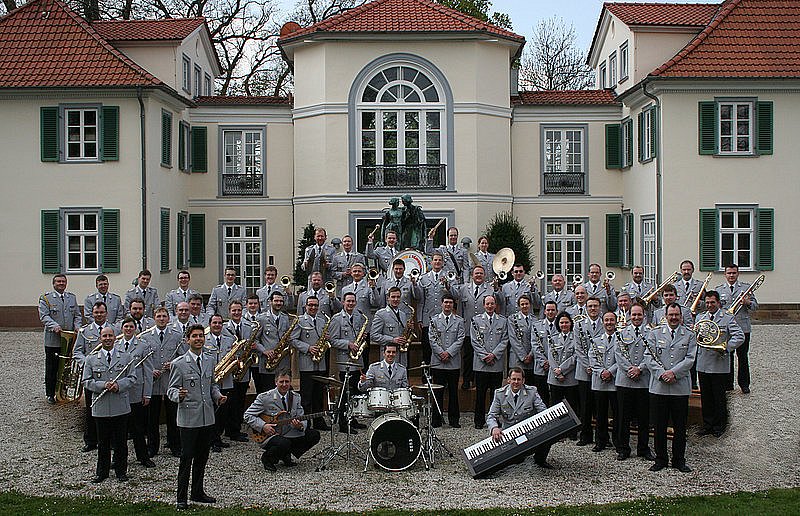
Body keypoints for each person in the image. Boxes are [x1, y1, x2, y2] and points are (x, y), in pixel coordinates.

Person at [168, 324, 227, 509]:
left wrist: (218, 397)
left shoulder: (209, 360)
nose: (198, 339)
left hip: (207, 417)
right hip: (188, 418)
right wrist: (179, 395)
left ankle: (197, 492)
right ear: (188, 340)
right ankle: (181, 498)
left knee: (202, 457)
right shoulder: (179, 363)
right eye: (195, 336)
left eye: (201, 336)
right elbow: (170, 389)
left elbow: (212, 385)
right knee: (187, 458)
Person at [645, 303, 696, 473]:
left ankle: (679, 460)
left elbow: (690, 359)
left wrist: (673, 373)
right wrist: (662, 374)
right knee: (659, 426)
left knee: (680, 427)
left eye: (676, 315)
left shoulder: (689, 335)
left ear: (681, 316)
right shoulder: (655, 333)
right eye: (671, 315)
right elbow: (649, 357)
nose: (674, 318)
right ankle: (661, 459)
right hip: (659, 387)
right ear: (665, 316)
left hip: (679, 387)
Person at [83, 326, 136, 483]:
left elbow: (132, 378)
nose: (107, 338)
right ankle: (102, 472)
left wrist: (119, 385)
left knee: (121, 442)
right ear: (100, 338)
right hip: (101, 407)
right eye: (104, 336)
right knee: (103, 443)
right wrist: (103, 385)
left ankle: (121, 471)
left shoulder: (126, 357)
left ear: (115, 338)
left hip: (120, 406)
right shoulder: (91, 359)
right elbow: (86, 381)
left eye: (110, 336)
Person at [244, 369, 321, 472]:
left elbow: (301, 416)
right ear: (276, 382)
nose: (284, 384)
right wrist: (263, 426)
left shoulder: (296, 397)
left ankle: (285, 453)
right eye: (281, 382)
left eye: (287, 382)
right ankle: (268, 458)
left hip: (290, 432)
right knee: (283, 443)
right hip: (271, 434)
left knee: (314, 435)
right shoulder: (265, 398)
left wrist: (300, 426)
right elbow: (248, 415)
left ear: (290, 382)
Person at [695, 291, 744, 437]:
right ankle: (707, 424)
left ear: (718, 303)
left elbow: (740, 336)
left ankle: (720, 425)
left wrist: (726, 347)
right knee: (706, 396)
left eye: (712, 302)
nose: (709, 305)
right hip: (703, 362)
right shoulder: (700, 318)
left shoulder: (727, 318)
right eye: (707, 303)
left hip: (719, 362)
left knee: (719, 397)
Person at [487, 367, 552, 469]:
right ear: (508, 380)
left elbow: (543, 411)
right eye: (513, 379)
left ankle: (540, 460)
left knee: (548, 433)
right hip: (509, 432)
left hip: (529, 430)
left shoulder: (532, 391)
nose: (516, 382)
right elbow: (491, 416)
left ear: (523, 380)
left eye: (519, 379)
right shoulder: (499, 394)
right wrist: (494, 428)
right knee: (514, 461)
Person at [142, 307, 184, 457]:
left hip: (170, 381)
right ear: (154, 318)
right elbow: (143, 359)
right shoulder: (146, 336)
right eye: (159, 316)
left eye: (164, 316)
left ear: (168, 318)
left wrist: (173, 364)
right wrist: (151, 370)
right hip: (153, 382)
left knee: (173, 416)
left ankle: (175, 445)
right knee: (152, 418)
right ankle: (152, 447)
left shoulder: (176, 336)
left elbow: (183, 356)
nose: (161, 319)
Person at [615, 303, 654, 461]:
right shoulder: (622, 332)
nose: (636, 317)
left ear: (644, 316)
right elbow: (618, 354)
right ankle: (623, 448)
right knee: (623, 417)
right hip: (625, 380)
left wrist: (640, 369)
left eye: (639, 315)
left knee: (644, 418)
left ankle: (643, 448)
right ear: (629, 316)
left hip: (643, 380)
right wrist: (630, 370)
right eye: (634, 315)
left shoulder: (651, 333)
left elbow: (651, 353)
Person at [115, 317, 155, 468]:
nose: (128, 329)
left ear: (135, 329)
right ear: (122, 328)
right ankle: (119, 459)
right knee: (120, 430)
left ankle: (142, 457)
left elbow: (148, 371)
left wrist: (147, 393)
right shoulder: (116, 345)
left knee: (138, 428)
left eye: (131, 327)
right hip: (119, 392)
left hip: (136, 392)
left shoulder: (143, 346)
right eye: (126, 326)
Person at [329, 292, 370, 433]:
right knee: (345, 394)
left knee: (354, 393)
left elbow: (359, 335)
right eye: (348, 301)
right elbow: (332, 340)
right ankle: (342, 423)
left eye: (353, 301)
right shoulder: (336, 319)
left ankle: (352, 419)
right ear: (343, 302)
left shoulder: (358, 317)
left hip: (357, 360)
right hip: (345, 361)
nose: (351, 303)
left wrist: (362, 337)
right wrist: (348, 344)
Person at [450, 264, 495, 389]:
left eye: (481, 273)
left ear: (484, 275)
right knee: (467, 355)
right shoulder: (464, 288)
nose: (479, 275)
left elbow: (497, 302)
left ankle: (477, 380)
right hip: (467, 327)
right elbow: (454, 294)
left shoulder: (490, 289)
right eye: (476, 273)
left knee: (481, 354)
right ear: (472, 275)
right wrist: (448, 284)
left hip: (484, 329)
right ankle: (466, 380)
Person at [39, 273, 82, 404]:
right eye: (58, 282)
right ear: (54, 284)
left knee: (66, 368)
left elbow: (77, 315)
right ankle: (50, 394)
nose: (61, 283)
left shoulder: (71, 298)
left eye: (63, 281)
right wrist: (54, 326)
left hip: (68, 340)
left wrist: (77, 327)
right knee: (52, 368)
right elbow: (44, 316)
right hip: (53, 340)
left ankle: (62, 392)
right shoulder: (46, 298)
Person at [73, 301, 111, 451]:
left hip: (110, 375)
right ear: (92, 314)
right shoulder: (84, 331)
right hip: (92, 377)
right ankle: (91, 440)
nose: (99, 315)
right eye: (96, 312)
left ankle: (110, 439)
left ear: (106, 313)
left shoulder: (113, 329)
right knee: (91, 408)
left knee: (111, 409)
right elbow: (77, 352)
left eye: (102, 312)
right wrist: (87, 364)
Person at [716, 264, 758, 393]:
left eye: (734, 273)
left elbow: (756, 306)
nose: (731, 275)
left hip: (743, 327)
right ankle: (728, 384)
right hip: (727, 329)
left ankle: (744, 384)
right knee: (727, 355)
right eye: (729, 273)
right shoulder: (719, 290)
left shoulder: (746, 288)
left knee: (743, 357)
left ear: (738, 274)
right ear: (725, 275)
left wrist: (748, 303)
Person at [291, 296, 331, 431]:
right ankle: (306, 423)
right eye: (310, 305)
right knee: (306, 396)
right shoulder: (300, 320)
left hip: (320, 363)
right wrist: (308, 348)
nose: (313, 308)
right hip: (307, 363)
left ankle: (319, 421)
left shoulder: (322, 321)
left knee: (319, 394)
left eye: (315, 305)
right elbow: (293, 340)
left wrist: (326, 339)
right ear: (305, 306)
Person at [471, 295, 508, 429]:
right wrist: (485, 356)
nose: (490, 306)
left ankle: (494, 420)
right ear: (484, 305)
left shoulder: (503, 321)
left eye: (492, 303)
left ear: (495, 305)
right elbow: (474, 341)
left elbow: (505, 340)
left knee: (496, 395)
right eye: (487, 304)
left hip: (496, 364)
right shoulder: (476, 320)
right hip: (481, 364)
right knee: (480, 394)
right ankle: (479, 421)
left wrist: (494, 355)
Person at [428, 294, 464, 428]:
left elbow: (460, 339)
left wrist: (448, 353)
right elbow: (431, 339)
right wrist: (441, 353)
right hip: (438, 362)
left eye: (450, 303)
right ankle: (436, 420)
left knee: (453, 393)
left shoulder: (459, 321)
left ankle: (454, 420)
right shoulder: (434, 320)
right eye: (446, 302)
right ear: (441, 304)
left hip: (453, 362)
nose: (448, 305)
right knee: (437, 393)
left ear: (453, 305)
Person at [220, 300, 253, 442]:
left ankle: (236, 430)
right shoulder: (224, 327)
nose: (236, 313)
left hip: (243, 368)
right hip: (229, 369)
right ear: (229, 312)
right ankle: (227, 430)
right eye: (234, 310)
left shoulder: (248, 326)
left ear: (242, 310)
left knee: (240, 400)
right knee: (229, 401)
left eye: (239, 310)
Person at [573, 297, 603, 446]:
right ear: (586, 308)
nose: (593, 309)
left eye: (595, 306)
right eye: (590, 306)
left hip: (600, 370)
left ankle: (601, 438)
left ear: (600, 307)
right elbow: (577, 348)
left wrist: (597, 366)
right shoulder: (578, 325)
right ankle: (585, 436)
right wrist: (588, 365)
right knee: (585, 406)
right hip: (584, 370)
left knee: (599, 406)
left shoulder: (606, 323)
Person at [589, 311, 619, 453]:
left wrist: (610, 372)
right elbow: (592, 359)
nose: (609, 323)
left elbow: (622, 359)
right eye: (606, 320)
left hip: (614, 382)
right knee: (600, 414)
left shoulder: (621, 339)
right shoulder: (596, 340)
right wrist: (602, 372)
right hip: (599, 382)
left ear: (616, 322)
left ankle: (618, 441)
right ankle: (600, 441)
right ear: (603, 322)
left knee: (617, 414)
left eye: (611, 320)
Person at [340, 263, 381, 368]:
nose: (356, 273)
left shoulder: (368, 287)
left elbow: (376, 303)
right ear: (351, 273)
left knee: (364, 356)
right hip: (348, 327)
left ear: (363, 273)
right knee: (348, 356)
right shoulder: (345, 289)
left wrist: (373, 288)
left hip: (363, 329)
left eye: (359, 271)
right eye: (354, 271)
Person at [205, 313, 236, 452]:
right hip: (211, 381)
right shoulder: (204, 340)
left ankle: (218, 437)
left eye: (219, 323)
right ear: (210, 325)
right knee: (212, 412)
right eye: (214, 323)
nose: (217, 325)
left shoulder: (229, 340)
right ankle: (211, 440)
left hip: (226, 380)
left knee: (223, 412)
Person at [547, 311, 579, 440]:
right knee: (556, 406)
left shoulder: (575, 338)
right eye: (561, 322)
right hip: (555, 378)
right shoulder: (553, 338)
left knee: (572, 405)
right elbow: (551, 356)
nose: (564, 324)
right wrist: (557, 370)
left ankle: (572, 432)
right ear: (558, 324)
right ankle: (558, 432)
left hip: (570, 377)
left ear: (571, 323)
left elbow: (576, 356)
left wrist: (562, 370)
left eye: (566, 322)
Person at [255, 292, 292, 393]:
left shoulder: (285, 318)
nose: (278, 303)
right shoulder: (261, 318)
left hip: (283, 363)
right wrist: (264, 351)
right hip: (268, 363)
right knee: (267, 393)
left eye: (280, 301)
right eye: (276, 300)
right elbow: (254, 339)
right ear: (270, 302)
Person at [419, 252, 450, 366]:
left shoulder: (448, 276)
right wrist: (419, 319)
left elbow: (454, 295)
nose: (437, 262)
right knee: (426, 347)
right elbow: (421, 300)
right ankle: (426, 376)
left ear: (442, 263)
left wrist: (447, 285)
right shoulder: (424, 278)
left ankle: (439, 374)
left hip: (443, 317)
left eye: (439, 260)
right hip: (428, 318)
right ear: (431, 262)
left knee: (441, 346)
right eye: (435, 260)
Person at [370, 287, 413, 367]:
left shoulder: (403, 315)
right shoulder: (380, 314)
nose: (395, 299)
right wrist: (392, 340)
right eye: (393, 297)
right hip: (388, 356)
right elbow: (374, 336)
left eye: (398, 297)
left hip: (402, 357)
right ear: (388, 298)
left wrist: (409, 330)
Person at [531, 301, 558, 404]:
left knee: (555, 397)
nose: (550, 312)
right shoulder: (537, 325)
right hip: (541, 367)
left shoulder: (561, 325)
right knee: (542, 397)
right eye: (548, 310)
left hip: (555, 367)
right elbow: (535, 345)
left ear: (556, 311)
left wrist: (551, 363)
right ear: (545, 312)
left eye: (552, 310)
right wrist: (543, 362)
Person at [507, 295, 535, 384]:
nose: (524, 306)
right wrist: (523, 357)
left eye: (526, 304)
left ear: (530, 305)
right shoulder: (512, 319)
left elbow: (536, 340)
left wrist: (530, 355)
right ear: (519, 306)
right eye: (522, 304)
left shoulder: (535, 320)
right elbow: (513, 339)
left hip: (531, 359)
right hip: (517, 359)